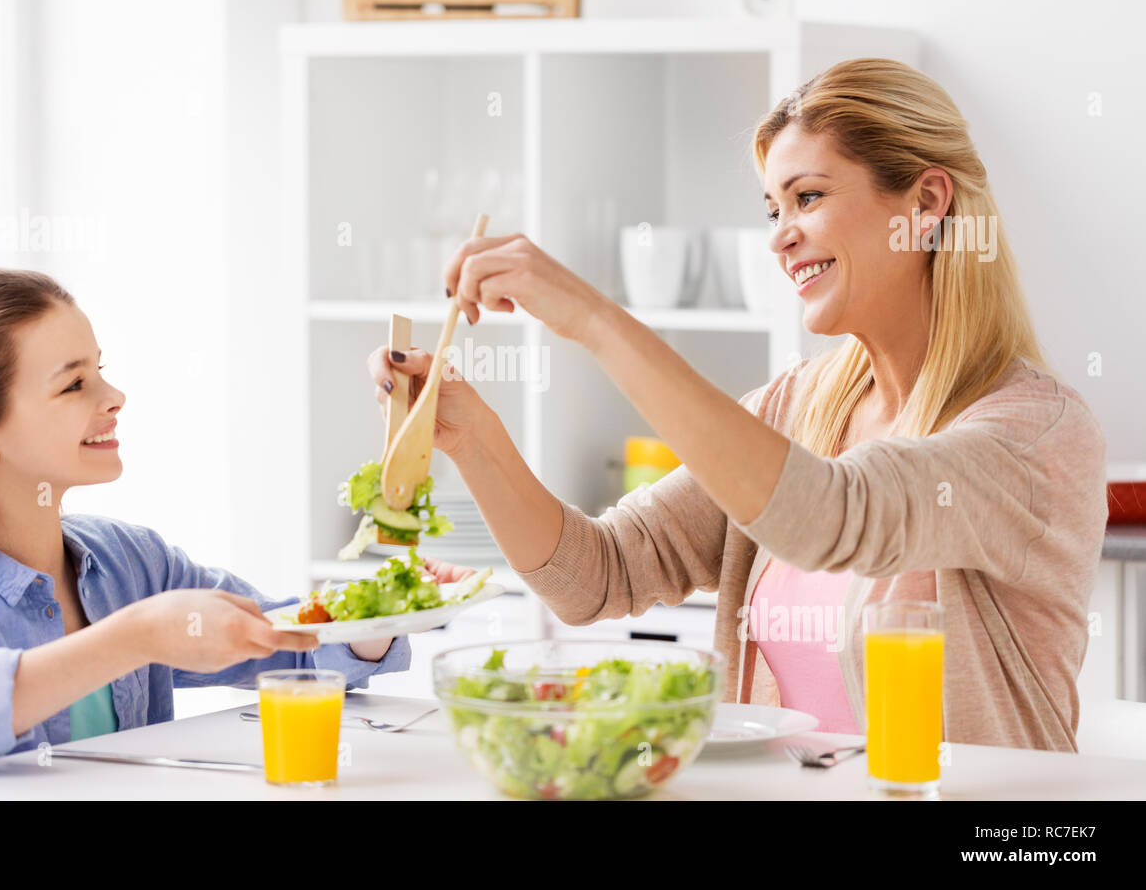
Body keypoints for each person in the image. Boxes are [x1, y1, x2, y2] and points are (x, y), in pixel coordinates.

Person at [367, 58, 1106, 751]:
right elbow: (597, 576)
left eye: (808, 197)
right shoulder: (795, 405)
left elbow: (829, 517)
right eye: (773, 208)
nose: (782, 237)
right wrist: (472, 438)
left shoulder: (1032, 434)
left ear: (926, 203)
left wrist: (595, 319)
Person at [0, 269, 409, 784]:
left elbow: (295, 653)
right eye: (73, 385)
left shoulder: (133, 563)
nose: (114, 398)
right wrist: (135, 637)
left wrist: (387, 604)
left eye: (100, 371)